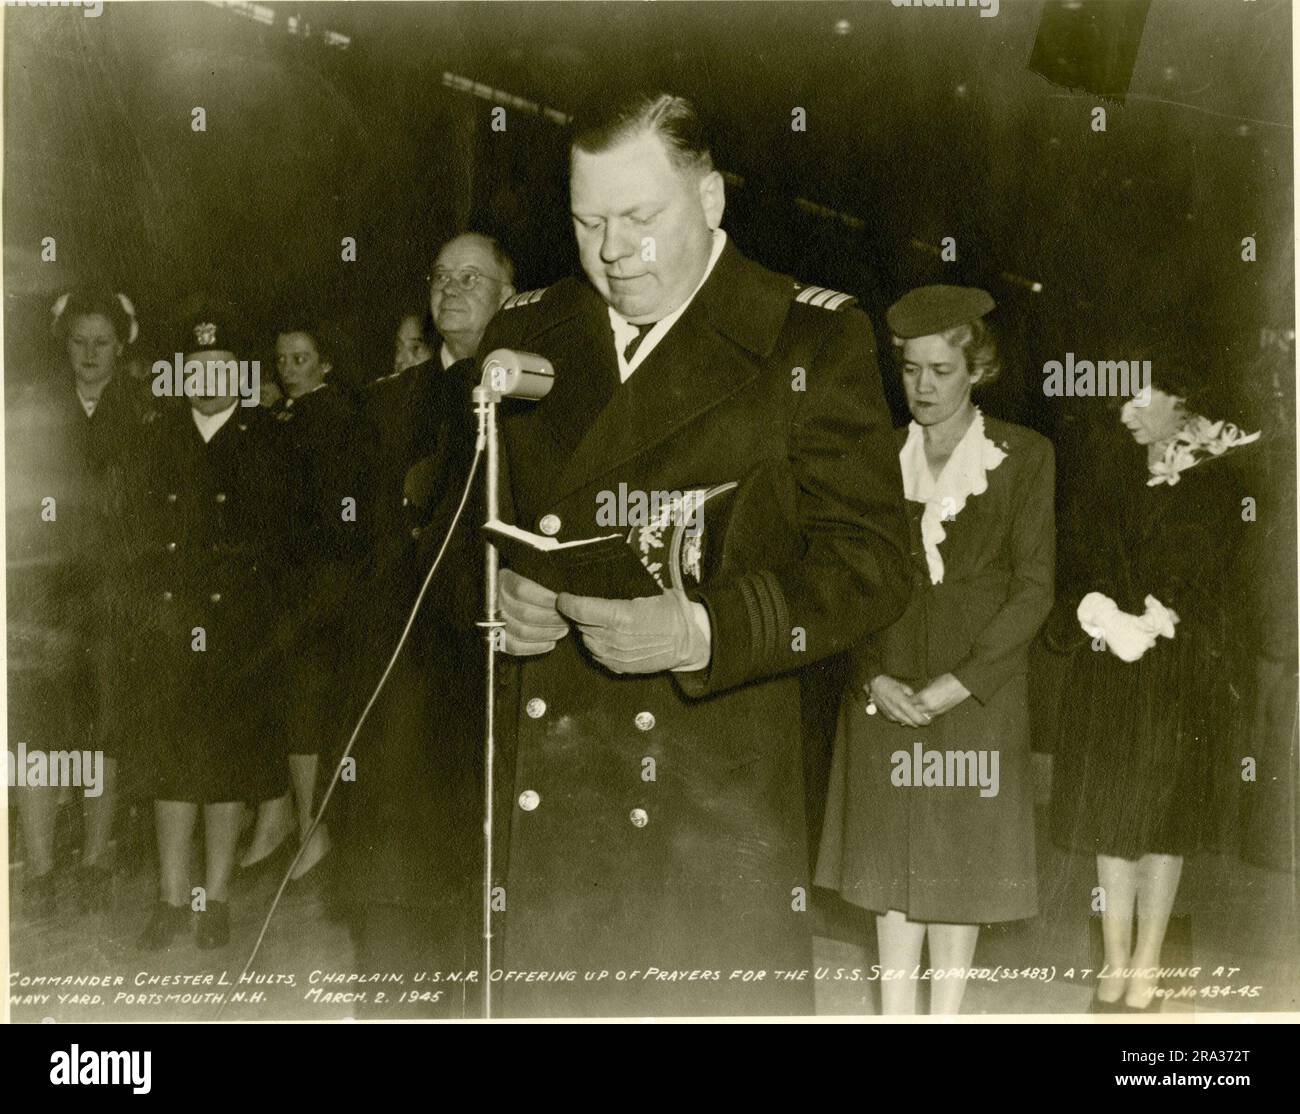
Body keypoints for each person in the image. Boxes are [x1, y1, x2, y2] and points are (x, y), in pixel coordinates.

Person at [482, 91, 911, 1017]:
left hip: (716, 815)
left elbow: (874, 563)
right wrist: (498, 596)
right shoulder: (527, 331)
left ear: (711, 199)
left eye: (641, 217)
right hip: (551, 806)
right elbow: (451, 539)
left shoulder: (809, 336)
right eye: (588, 220)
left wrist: (704, 629)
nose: (611, 250)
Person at [815, 286, 1055, 1015]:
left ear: (976, 368)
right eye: (911, 369)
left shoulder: (1024, 455)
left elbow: (1035, 588)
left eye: (940, 370)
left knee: (960, 865)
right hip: (886, 686)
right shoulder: (878, 457)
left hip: (978, 688)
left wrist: (962, 682)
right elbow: (847, 581)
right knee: (888, 866)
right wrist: (871, 676)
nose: (922, 386)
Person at [331, 236, 514, 1016]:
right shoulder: (384, 402)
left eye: (473, 276)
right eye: (440, 275)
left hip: (495, 678)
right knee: (391, 892)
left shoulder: (537, 400)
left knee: (482, 891)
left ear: (512, 292)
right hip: (397, 684)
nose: (451, 288)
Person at [1048, 353, 1260, 1011]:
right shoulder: (1107, 473)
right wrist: (1098, 613)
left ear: (1183, 399)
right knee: (1112, 820)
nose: (1125, 412)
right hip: (1109, 666)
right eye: (1120, 399)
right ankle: (1112, 964)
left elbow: (1236, 588)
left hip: (1177, 676)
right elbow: (1074, 558)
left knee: (1163, 824)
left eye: (1140, 398)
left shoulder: (1225, 481)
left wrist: (1172, 619)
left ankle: (1146, 966)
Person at [114, 303, 294, 951]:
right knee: (170, 767)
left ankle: (213, 899)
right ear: (182, 375)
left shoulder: (268, 439)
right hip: (168, 627)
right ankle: (169, 899)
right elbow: (131, 538)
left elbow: (283, 545)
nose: (208, 379)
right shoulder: (156, 439)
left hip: (239, 631)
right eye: (197, 368)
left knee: (225, 769)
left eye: (222, 368)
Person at [6, 287, 153, 918]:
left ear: (121, 348)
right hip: (42, 596)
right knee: (39, 732)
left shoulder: (143, 414)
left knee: (105, 729)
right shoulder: (32, 410)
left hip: (114, 599)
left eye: (102, 343)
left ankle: (96, 857)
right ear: (63, 345)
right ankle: (38, 867)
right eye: (79, 342)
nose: (90, 355)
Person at [241, 323, 366, 883]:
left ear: (326, 363)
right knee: (286, 703)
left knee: (307, 708)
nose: (290, 368)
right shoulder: (285, 417)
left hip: (322, 583)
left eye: (302, 358)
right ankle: (284, 818)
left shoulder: (334, 417)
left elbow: (338, 511)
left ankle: (314, 829)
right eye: (282, 359)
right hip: (284, 582)